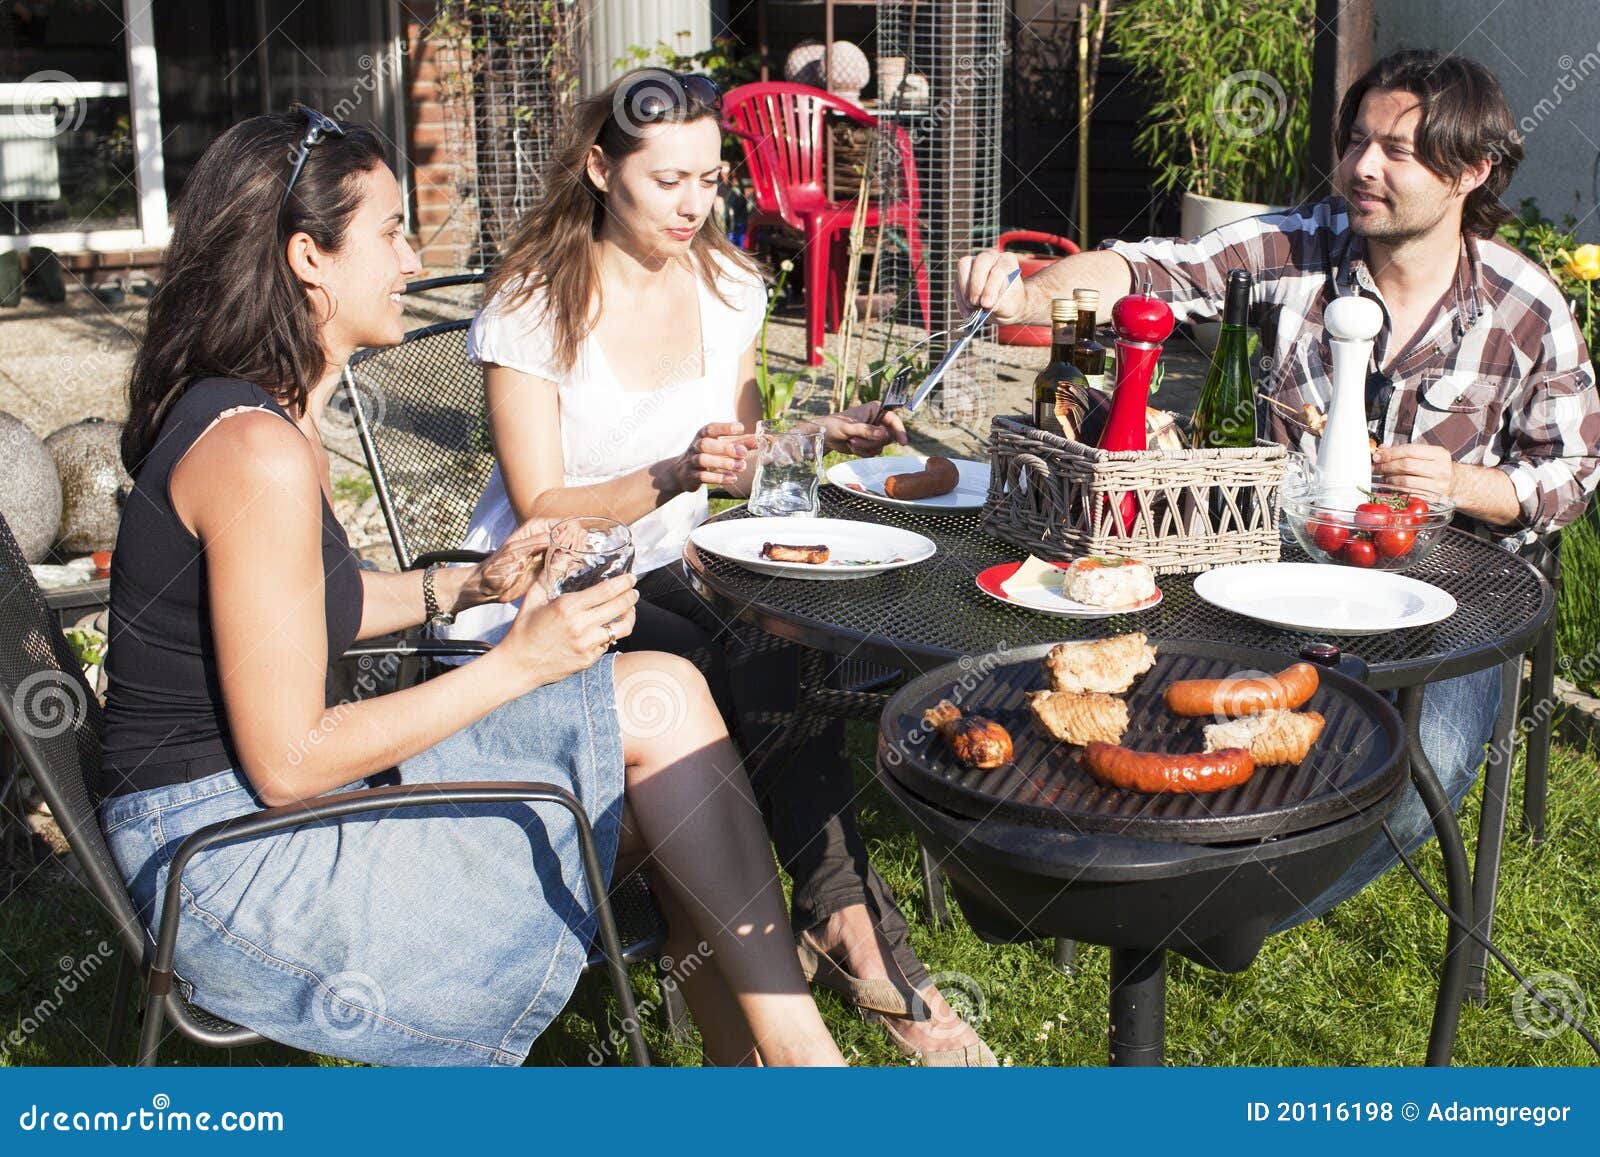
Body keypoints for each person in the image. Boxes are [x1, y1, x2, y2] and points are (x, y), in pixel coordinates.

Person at [97, 106, 846, 1068]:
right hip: (235, 868)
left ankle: (772, 1073)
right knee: (656, 718)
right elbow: (288, 760)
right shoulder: (257, 454)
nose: (414, 260)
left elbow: (313, 608)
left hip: (247, 816)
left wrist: (467, 582)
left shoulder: (266, 419)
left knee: (661, 712)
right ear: (307, 259)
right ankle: (805, 1074)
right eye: (391, 232)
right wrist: (519, 666)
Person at [956, 50, 1600, 924]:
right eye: (1358, 141)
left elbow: (1572, 470)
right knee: (1121, 691)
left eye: (1399, 150)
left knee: (1434, 760)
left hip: (1447, 591)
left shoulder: (1523, 302)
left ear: (1472, 171)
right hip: (1266, 567)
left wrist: (1466, 483)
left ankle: (1232, 916)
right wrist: (1030, 294)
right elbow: (1151, 270)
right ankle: (1103, 875)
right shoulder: (1296, 248)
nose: (1363, 168)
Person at [443, 69, 995, 1065]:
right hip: (545, 587)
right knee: (742, 661)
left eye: (708, 179)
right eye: (667, 181)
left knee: (775, 645)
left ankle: (827, 927)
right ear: (601, 168)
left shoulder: (729, 284)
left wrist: (826, 431)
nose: (693, 204)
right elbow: (541, 506)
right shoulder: (533, 303)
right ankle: (846, 934)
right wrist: (662, 475)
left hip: (687, 568)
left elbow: (736, 460)